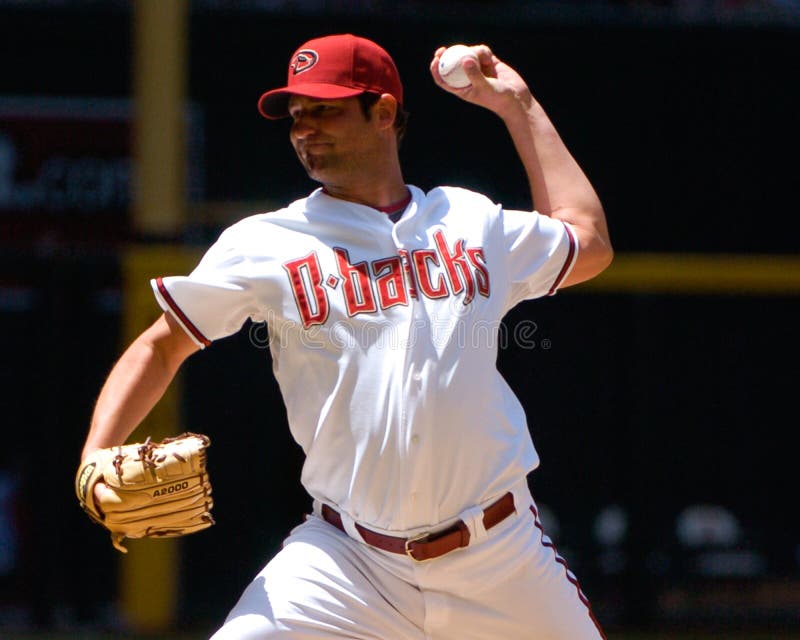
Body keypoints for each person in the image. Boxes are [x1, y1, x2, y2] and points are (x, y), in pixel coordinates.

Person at [80, 33, 613, 639]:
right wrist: (97, 450)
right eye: (296, 116)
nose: (305, 128)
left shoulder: (470, 221)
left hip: (500, 557)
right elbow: (160, 342)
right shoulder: (268, 241)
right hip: (346, 563)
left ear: (383, 112)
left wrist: (517, 103)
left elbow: (588, 241)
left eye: (325, 109)